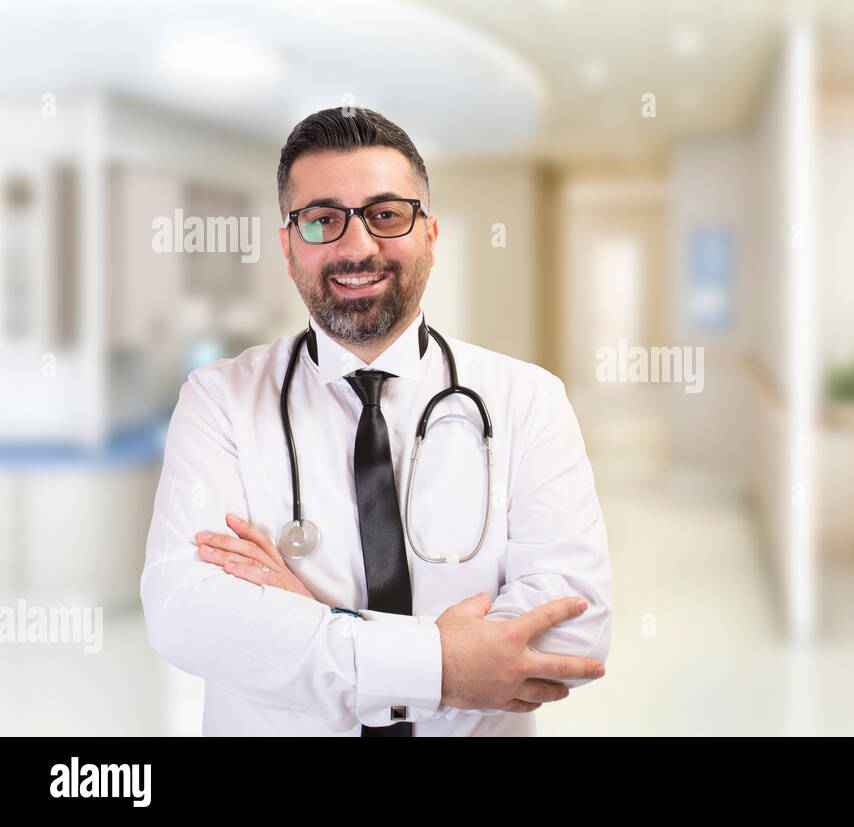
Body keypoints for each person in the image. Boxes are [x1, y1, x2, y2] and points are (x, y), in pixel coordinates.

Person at [140, 107, 612, 736]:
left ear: (431, 235)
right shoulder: (219, 399)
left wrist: (315, 621)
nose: (357, 247)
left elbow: (572, 631)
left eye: (387, 215)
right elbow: (188, 613)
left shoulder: (529, 400)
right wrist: (444, 664)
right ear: (288, 246)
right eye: (322, 220)